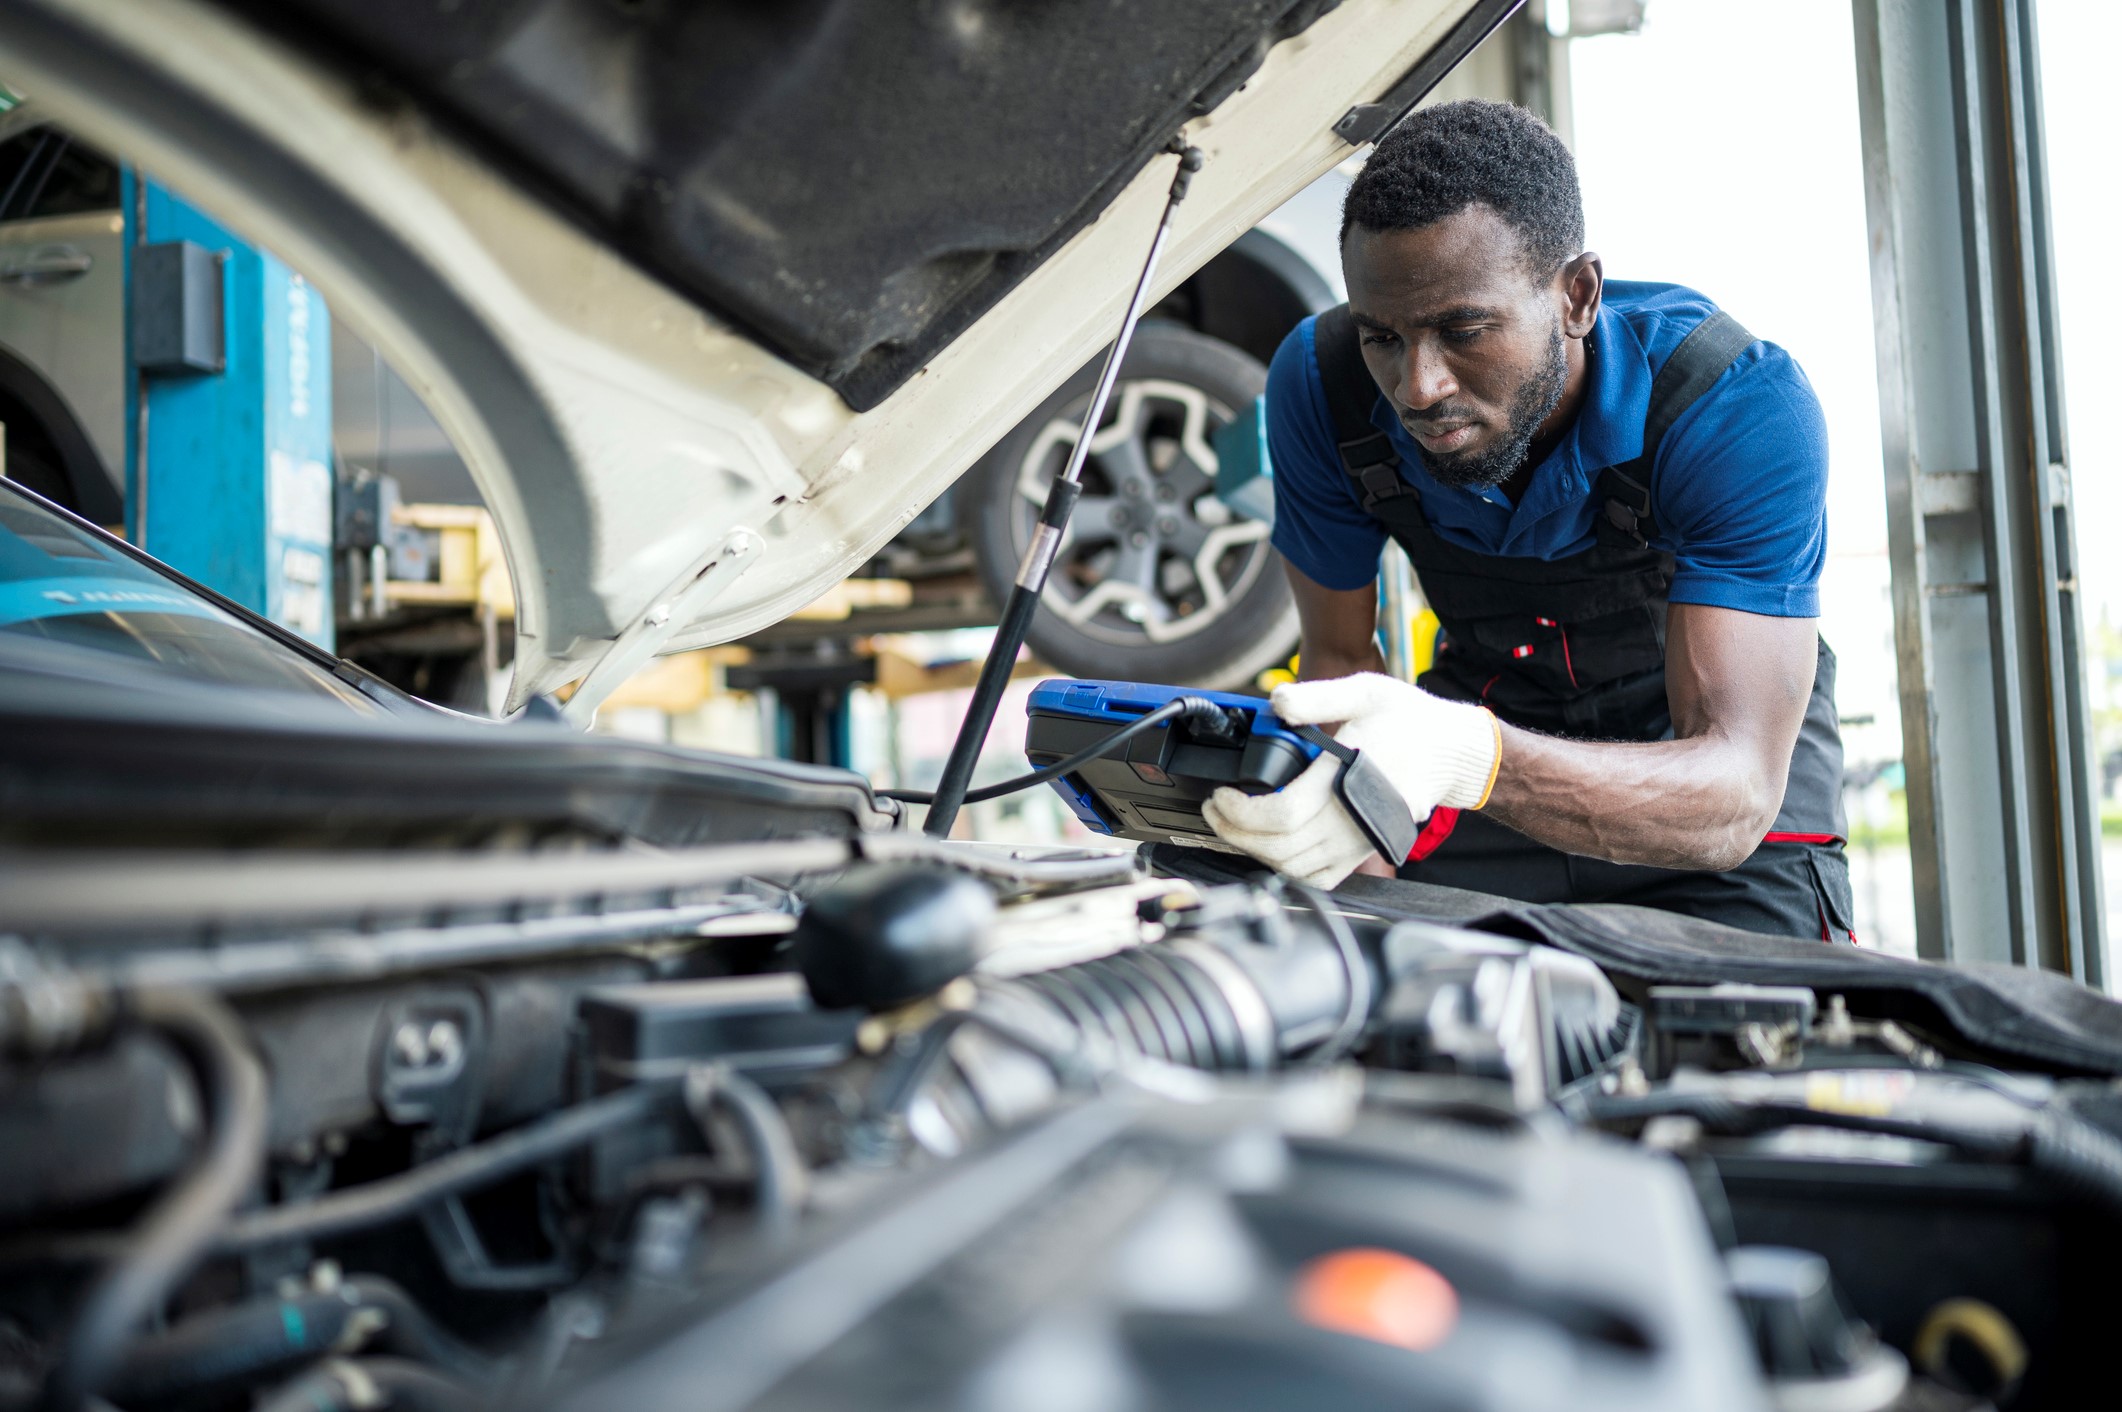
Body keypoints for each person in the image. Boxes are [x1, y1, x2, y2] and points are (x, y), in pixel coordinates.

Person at [1204, 99, 1853, 942]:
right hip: (1475, 768)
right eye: (1383, 338)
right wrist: (1340, 861)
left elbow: (1732, 795)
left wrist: (1469, 755)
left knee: (1768, 1015)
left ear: (1577, 296)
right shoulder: (1321, 384)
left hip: (1702, 807)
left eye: (1463, 330)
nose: (1418, 387)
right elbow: (1338, 660)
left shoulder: (1732, 406)